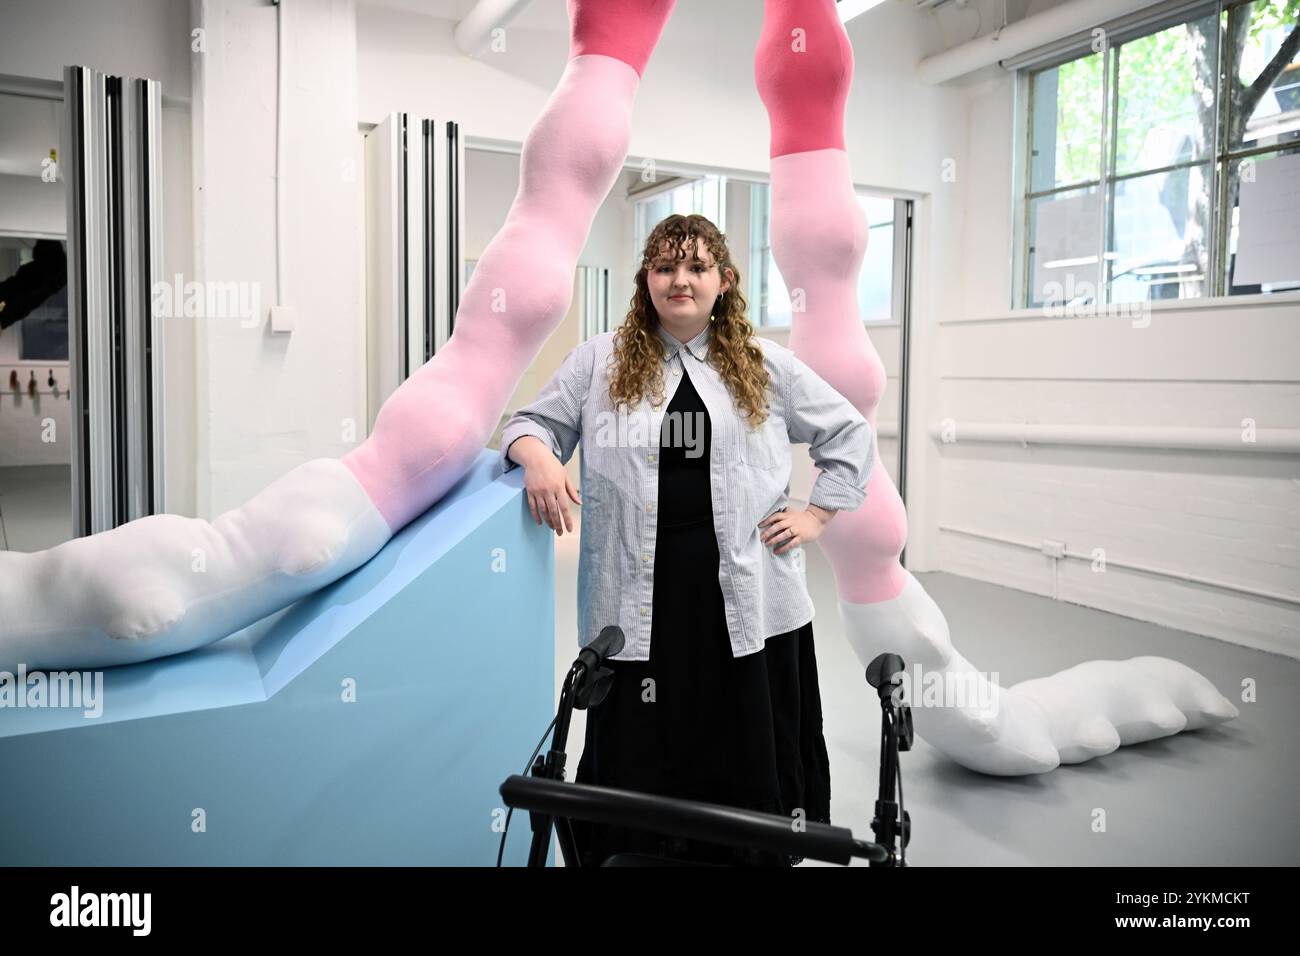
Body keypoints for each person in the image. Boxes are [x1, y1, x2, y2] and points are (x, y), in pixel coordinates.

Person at [500, 212, 874, 866]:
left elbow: (848, 434)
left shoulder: (762, 365)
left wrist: (816, 515)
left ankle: (743, 853)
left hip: (743, 594)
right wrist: (536, 457)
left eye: (697, 267)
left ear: (724, 280)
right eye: (666, 266)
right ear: (646, 279)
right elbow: (529, 423)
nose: (680, 280)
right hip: (639, 594)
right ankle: (635, 851)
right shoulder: (599, 361)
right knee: (645, 733)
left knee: (739, 730)